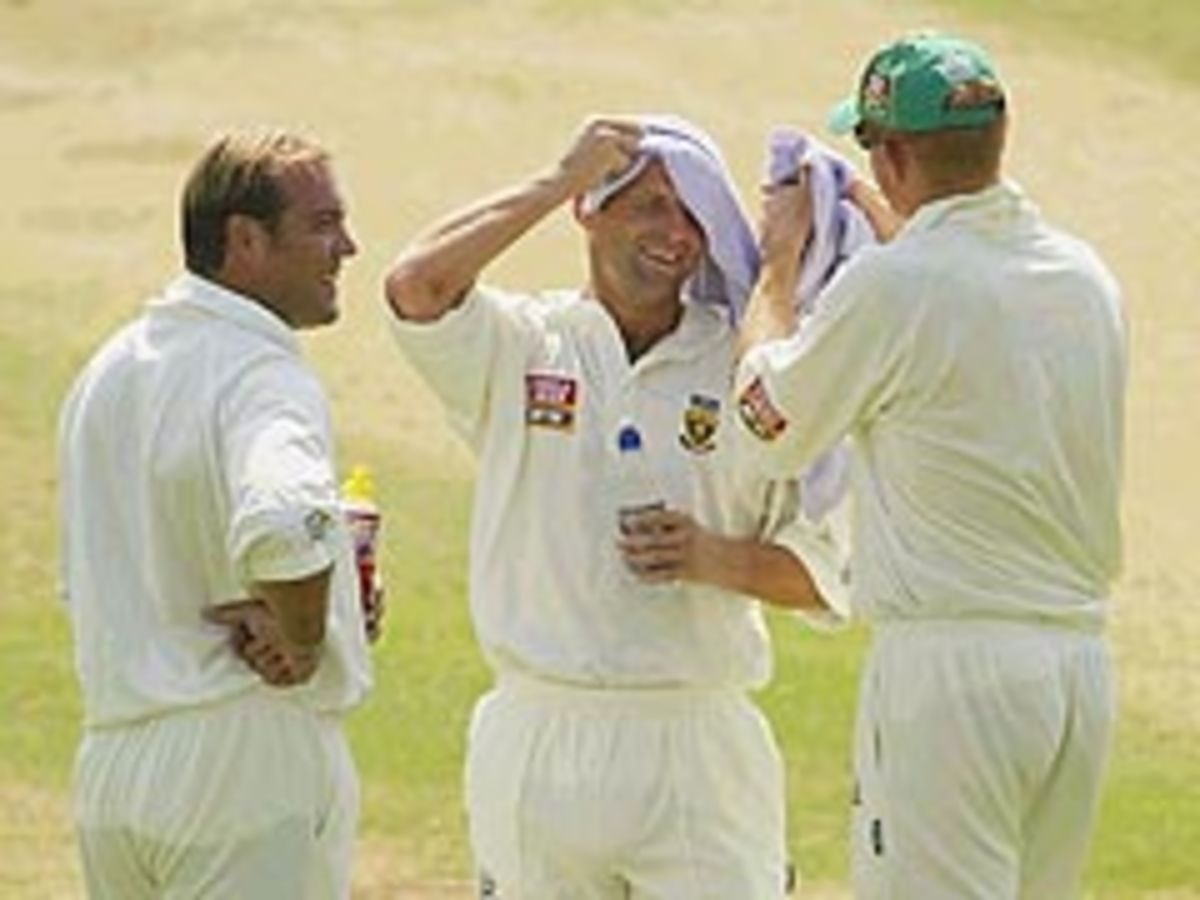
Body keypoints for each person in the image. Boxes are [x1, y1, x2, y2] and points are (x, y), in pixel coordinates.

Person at [384, 115, 847, 899]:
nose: (676, 233)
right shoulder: (525, 344)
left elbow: (830, 573)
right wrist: (560, 176)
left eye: (693, 214)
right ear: (588, 212)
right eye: (650, 206)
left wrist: (712, 557)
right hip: (538, 731)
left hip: (695, 740)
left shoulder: (746, 364)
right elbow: (415, 287)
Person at [733, 32, 1126, 899]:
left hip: (952, 678)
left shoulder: (897, 286)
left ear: (896, 153)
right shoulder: (1085, 278)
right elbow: (967, 335)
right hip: (1077, 672)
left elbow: (769, 424)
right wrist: (904, 237)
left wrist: (778, 270)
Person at [57, 128, 374, 899]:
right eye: (324, 225)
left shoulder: (109, 371)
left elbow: (95, 577)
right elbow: (284, 525)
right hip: (244, 763)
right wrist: (304, 636)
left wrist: (328, 597)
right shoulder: (263, 376)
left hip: (114, 771)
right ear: (245, 241)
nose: (349, 248)